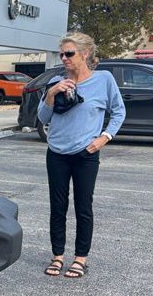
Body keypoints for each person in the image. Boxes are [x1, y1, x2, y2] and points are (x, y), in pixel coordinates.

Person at [38, 32, 125, 278]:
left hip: (85, 154)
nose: (64, 58)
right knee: (58, 206)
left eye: (69, 53)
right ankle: (57, 256)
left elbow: (118, 111)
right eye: (62, 54)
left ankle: (80, 259)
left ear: (85, 54)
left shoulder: (103, 80)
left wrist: (104, 138)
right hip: (56, 152)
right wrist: (52, 94)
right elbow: (43, 118)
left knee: (83, 206)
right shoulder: (55, 81)